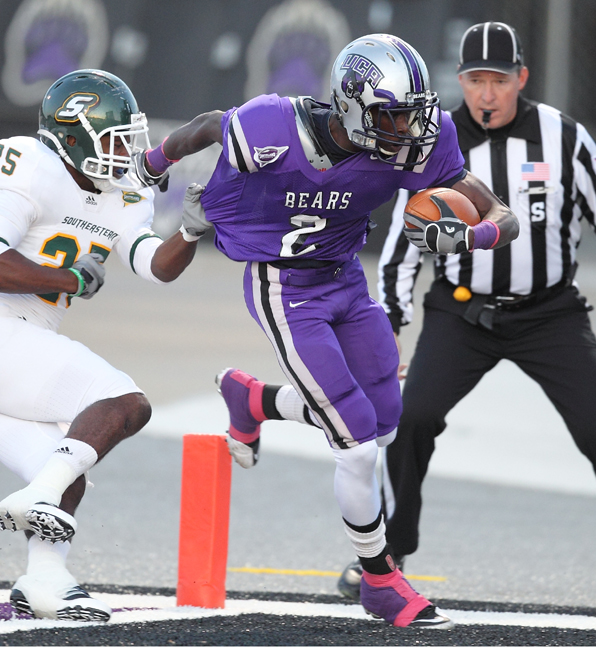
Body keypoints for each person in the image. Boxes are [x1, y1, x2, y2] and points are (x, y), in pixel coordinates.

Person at [135, 34, 519, 628]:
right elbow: (210, 125)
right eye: (393, 115)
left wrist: (473, 236)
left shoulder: (417, 142)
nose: (408, 130)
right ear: (350, 103)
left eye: (414, 115)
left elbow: (502, 214)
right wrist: (157, 160)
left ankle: (255, 399)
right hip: (284, 288)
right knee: (358, 444)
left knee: (385, 421)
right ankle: (379, 580)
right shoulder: (269, 127)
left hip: (345, 281)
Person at [334, 22, 596, 613]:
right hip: (459, 314)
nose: (486, 94)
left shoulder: (564, 138)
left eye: (498, 80)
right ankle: (389, 556)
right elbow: (402, 245)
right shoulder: (430, 141)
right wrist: (388, 328)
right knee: (408, 420)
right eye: (475, 80)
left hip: (550, 314)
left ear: (521, 78)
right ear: (461, 82)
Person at [0, 69, 197, 622]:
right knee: (125, 403)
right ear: (74, 133)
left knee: (66, 466)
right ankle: (36, 505)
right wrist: (68, 280)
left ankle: (44, 581)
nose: (127, 150)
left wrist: (194, 231)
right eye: (115, 138)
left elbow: (155, 266)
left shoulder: (123, 197)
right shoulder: (33, 163)